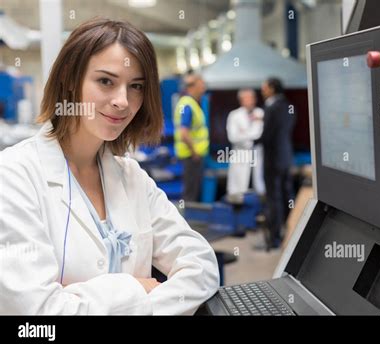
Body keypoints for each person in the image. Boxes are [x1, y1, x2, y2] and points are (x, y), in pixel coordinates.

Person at [0, 18, 219, 315]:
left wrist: (89, 300)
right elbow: (38, 315)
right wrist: (134, 287)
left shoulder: (132, 177)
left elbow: (202, 266)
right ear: (69, 78)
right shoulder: (13, 176)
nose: (123, 101)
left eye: (136, 86)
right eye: (106, 81)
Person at [258, 77, 295, 250]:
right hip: (286, 157)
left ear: (272, 89)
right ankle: (291, 234)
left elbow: (267, 136)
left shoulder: (270, 107)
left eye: (264, 87)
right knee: (288, 196)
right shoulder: (289, 107)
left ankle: (274, 238)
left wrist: (254, 139)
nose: (262, 90)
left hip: (272, 160)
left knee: (274, 198)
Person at [173, 73, 209, 202]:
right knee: (190, 192)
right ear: (193, 86)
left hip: (192, 155)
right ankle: (189, 220)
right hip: (191, 155)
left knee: (192, 190)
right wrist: (195, 152)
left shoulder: (190, 103)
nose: (204, 88)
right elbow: (184, 133)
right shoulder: (187, 105)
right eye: (202, 85)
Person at [226, 89, 264, 195]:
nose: (249, 101)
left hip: (257, 155)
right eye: (246, 98)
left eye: (251, 98)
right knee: (239, 190)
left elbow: (260, 134)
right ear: (241, 101)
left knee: (259, 186)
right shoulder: (234, 115)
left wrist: (244, 133)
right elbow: (233, 137)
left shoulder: (260, 113)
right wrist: (251, 136)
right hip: (241, 155)